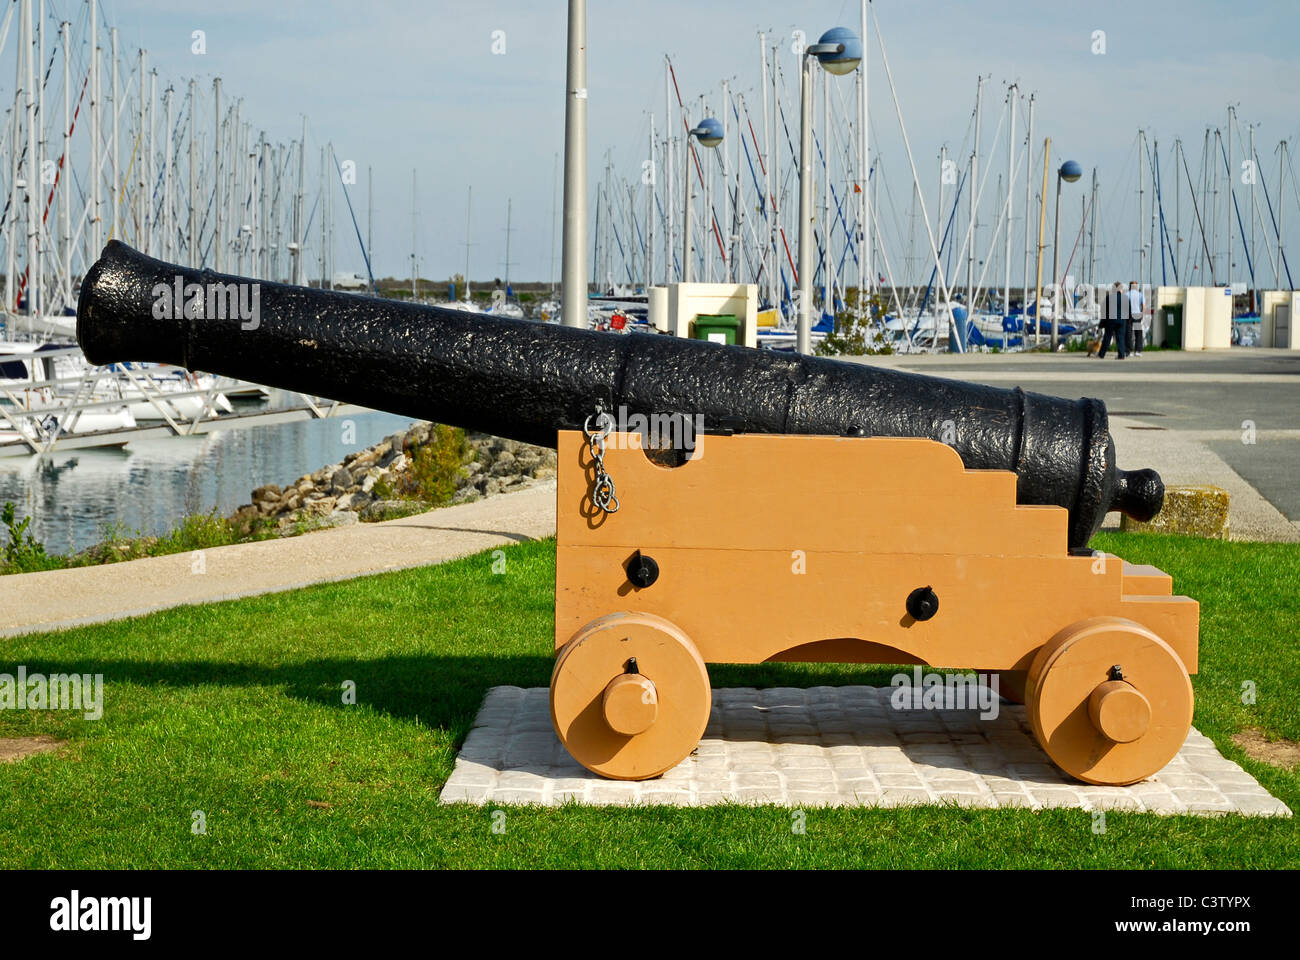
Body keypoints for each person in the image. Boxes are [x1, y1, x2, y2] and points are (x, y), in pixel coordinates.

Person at [1097, 282, 1126, 359]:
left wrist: (1103, 321)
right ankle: (1121, 355)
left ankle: (1102, 354)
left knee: (1107, 337)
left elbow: (1104, 310)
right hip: (1122, 320)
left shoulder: (1109, 298)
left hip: (1111, 320)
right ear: (1120, 289)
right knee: (1120, 338)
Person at [1128, 281, 1146, 356]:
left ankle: (1129, 351)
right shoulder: (1140, 294)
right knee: (1138, 333)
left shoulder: (1126, 294)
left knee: (1128, 333)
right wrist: (1142, 314)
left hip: (1128, 315)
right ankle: (1138, 351)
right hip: (1137, 315)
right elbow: (1144, 306)